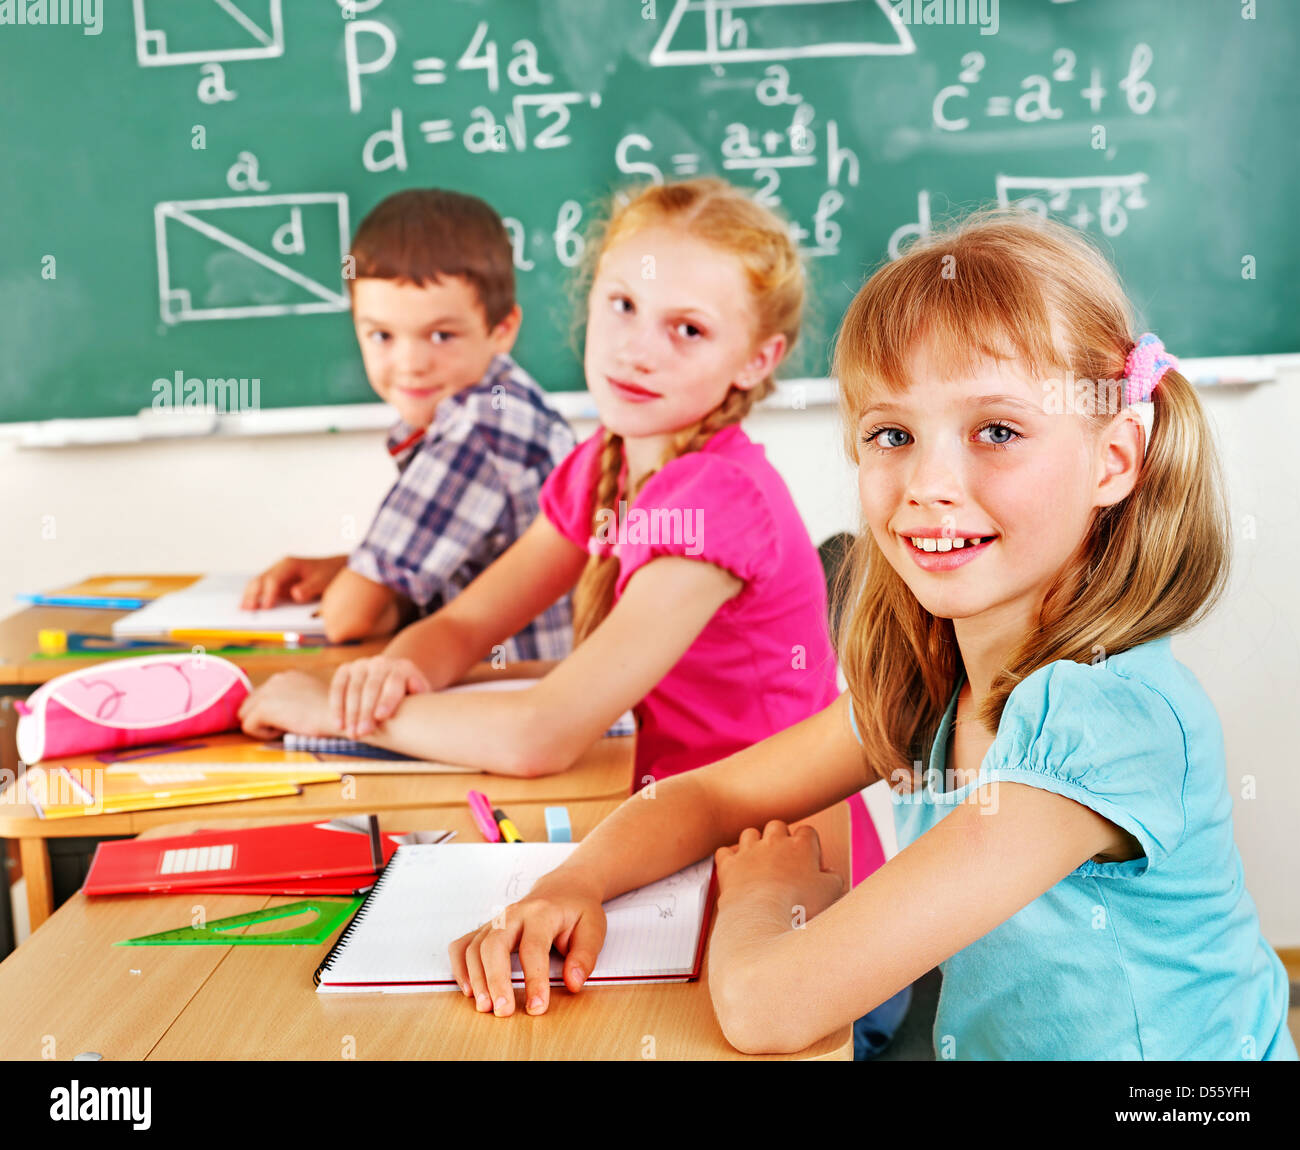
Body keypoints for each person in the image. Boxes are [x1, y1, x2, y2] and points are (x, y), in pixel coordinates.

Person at [446, 208, 1297, 1061]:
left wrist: (770, 893)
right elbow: (709, 797)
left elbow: (769, 1009)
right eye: (892, 434)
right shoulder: (936, 679)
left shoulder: (1105, 722)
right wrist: (569, 886)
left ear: (1114, 461)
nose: (928, 483)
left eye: (996, 432)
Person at [241, 188, 575, 656]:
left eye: (441, 335)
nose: (410, 363)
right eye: (381, 335)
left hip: (506, 697)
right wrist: (345, 567)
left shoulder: (481, 428)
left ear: (502, 329)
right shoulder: (506, 397)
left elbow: (349, 618)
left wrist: (357, 584)